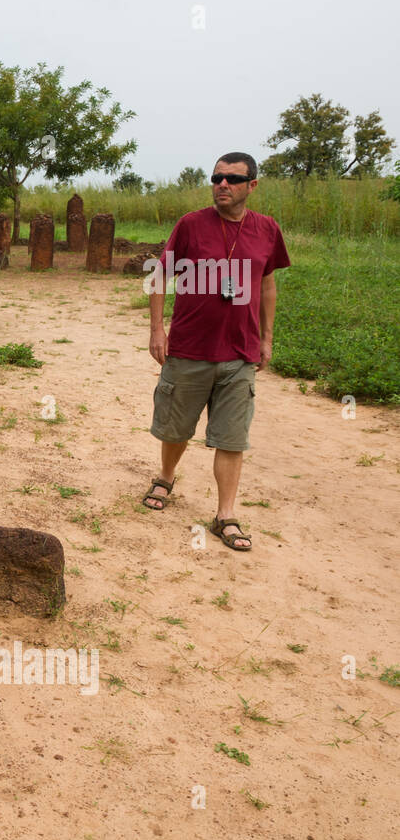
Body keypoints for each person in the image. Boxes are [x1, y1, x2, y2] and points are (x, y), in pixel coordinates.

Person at [141, 152, 291, 551]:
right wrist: (158, 328)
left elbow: (269, 283)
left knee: (231, 438)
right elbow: (160, 273)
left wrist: (267, 338)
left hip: (240, 354)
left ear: (252, 186)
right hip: (190, 348)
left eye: (232, 179)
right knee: (175, 428)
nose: (222, 184)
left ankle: (225, 515)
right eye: (216, 177)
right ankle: (166, 476)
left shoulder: (267, 230)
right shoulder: (191, 225)